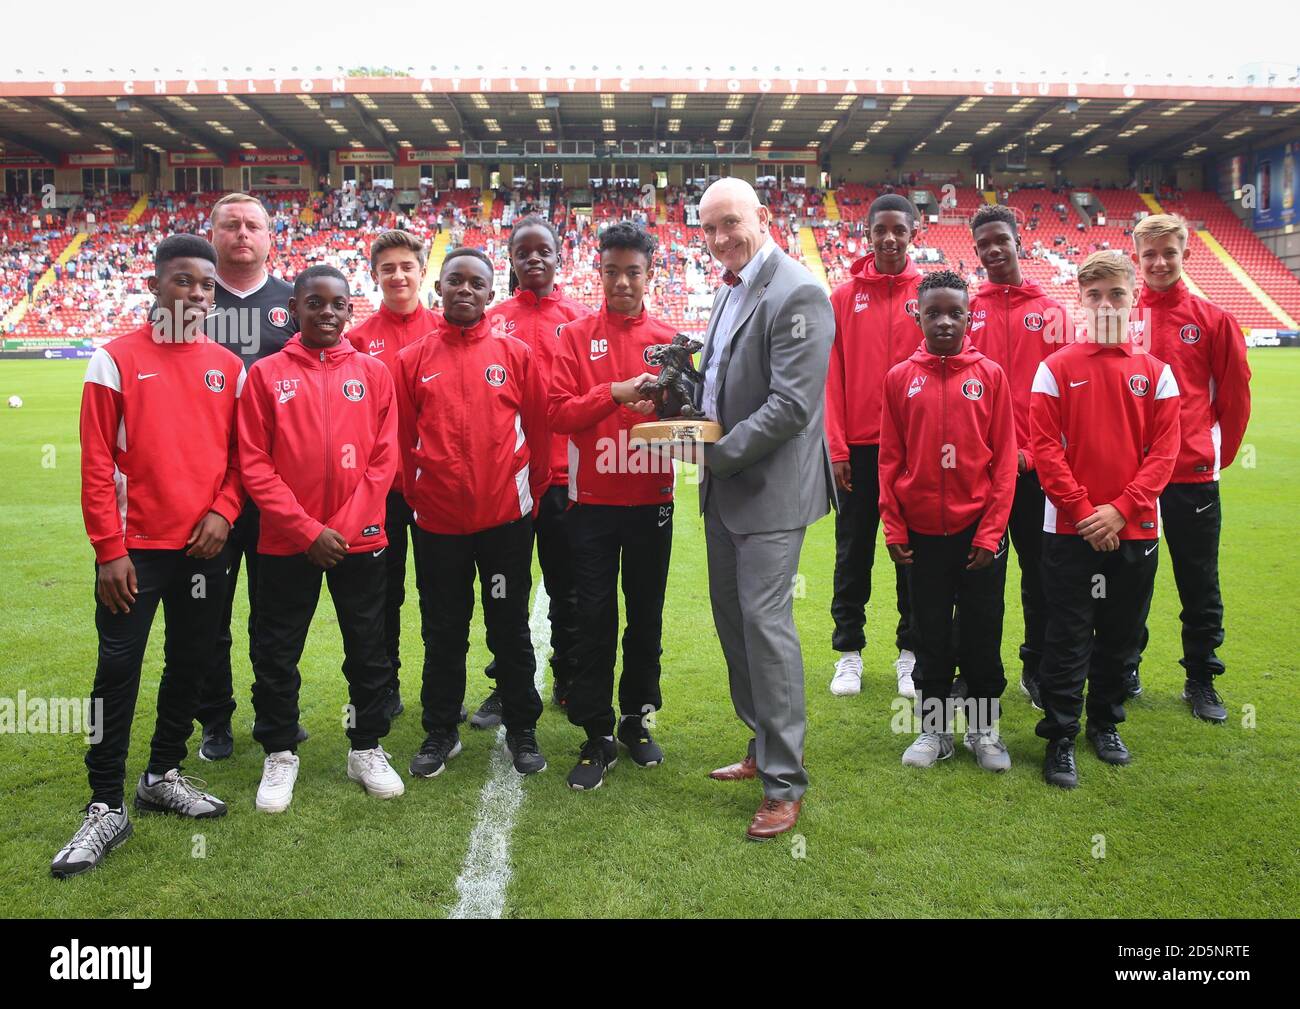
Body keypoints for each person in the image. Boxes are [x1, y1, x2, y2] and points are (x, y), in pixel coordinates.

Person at [54, 235, 240, 878]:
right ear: (156, 284)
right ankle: (104, 803)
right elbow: (96, 462)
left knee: (190, 663)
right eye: (183, 281)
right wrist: (110, 549)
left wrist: (224, 511)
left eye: (206, 285)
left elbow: (242, 461)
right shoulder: (114, 359)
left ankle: (162, 772)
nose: (195, 293)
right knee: (117, 672)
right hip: (134, 554)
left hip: (203, 548)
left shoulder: (227, 365)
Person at [696, 178, 835, 840]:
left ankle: (785, 781)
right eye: (710, 229)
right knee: (735, 622)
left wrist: (712, 453)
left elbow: (792, 405)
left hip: (769, 491)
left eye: (731, 223)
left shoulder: (798, 289)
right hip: (724, 491)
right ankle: (761, 743)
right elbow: (718, 380)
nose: (722, 237)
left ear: (762, 218)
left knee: (765, 625)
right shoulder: (729, 286)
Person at [238, 265, 403, 812]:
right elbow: (254, 463)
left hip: (360, 540)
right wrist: (307, 529)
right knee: (276, 650)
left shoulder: (374, 374)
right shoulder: (265, 375)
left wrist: (345, 527)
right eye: (315, 302)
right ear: (294, 309)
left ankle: (366, 746)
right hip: (288, 542)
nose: (327, 312)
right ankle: (280, 751)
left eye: (337, 304)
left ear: (350, 310)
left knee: (369, 650)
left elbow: (383, 461)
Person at [394, 248, 550, 778]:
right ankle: (441, 730)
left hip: (504, 522)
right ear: (438, 287)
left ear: (490, 292)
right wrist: (421, 497)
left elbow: (539, 432)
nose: (465, 290)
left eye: (476, 283)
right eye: (455, 281)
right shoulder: (412, 360)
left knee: (508, 626)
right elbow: (401, 440)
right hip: (438, 525)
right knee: (443, 629)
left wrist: (525, 497)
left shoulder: (515, 354)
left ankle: (523, 727)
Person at [1030, 251, 1180, 789]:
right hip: (1069, 531)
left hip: (1135, 529)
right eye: (1094, 295)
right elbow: (1045, 451)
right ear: (1080, 302)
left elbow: (1164, 455)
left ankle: (1106, 724)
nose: (1106, 303)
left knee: (1120, 636)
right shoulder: (1054, 369)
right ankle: (1061, 738)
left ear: (1133, 298)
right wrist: (1083, 511)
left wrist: (1120, 510)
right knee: (1067, 635)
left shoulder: (1157, 375)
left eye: (1117, 293)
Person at [548, 221, 675, 791]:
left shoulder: (672, 338)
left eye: (634, 272)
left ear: (650, 275)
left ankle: (637, 720)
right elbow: (559, 414)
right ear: (598, 273)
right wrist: (617, 393)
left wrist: (669, 415)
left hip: (653, 499)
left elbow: (684, 430)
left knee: (645, 614)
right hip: (592, 502)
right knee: (593, 618)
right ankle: (596, 730)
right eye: (612, 271)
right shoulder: (573, 336)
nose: (622, 281)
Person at [879, 271, 1017, 771]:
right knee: (929, 633)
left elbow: (1004, 462)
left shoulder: (991, 376)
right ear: (918, 314)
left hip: (978, 534)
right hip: (921, 536)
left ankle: (983, 728)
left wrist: (991, 530)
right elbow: (889, 460)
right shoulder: (899, 378)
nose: (943, 322)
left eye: (954, 313)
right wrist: (894, 526)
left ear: (968, 316)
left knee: (982, 631)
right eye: (933, 312)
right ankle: (934, 731)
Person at [1125, 214, 1252, 721]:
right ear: (1136, 257)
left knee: (1198, 581)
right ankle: (1126, 665)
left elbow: (1236, 398)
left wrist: (1212, 455)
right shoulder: (1121, 316)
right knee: (1130, 579)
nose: (1158, 262)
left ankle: (1200, 677)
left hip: (1191, 475)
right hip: (1131, 480)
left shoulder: (1214, 319)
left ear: (1184, 255)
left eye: (1168, 253)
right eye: (1149, 254)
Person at [473, 215, 593, 728]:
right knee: (507, 588)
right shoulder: (492, 319)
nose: (534, 259)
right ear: (512, 261)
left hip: (567, 480)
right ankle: (507, 684)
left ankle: (568, 676)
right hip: (510, 481)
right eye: (523, 252)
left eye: (543, 250)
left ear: (558, 256)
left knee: (568, 587)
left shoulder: (583, 318)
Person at [197, 192, 300, 762]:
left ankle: (274, 714)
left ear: (269, 237)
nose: (241, 233)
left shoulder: (296, 301)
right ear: (213, 235)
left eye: (252, 225)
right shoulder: (188, 301)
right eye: (230, 225)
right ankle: (214, 718)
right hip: (206, 487)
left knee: (274, 612)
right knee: (208, 608)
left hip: (276, 487)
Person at [966, 204, 1067, 710]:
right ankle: (979, 671)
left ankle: (1038, 666)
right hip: (978, 471)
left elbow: (1068, 395)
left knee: (1040, 572)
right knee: (980, 574)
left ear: (1018, 240)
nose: (992, 250)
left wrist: (1034, 454)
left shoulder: (1051, 313)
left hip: (1034, 469)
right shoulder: (967, 310)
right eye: (982, 244)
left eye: (999, 239)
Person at [824, 193, 924, 700]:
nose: (889, 238)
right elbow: (831, 377)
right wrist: (838, 448)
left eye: (898, 230)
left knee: (911, 553)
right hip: (860, 450)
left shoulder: (928, 292)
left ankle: (910, 654)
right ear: (867, 233)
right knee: (853, 550)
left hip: (916, 448)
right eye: (880, 229)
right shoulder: (842, 298)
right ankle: (849, 653)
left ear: (913, 233)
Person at [346, 229, 440, 722]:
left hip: (433, 490)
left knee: (437, 593)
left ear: (422, 271)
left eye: (407, 266)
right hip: (379, 492)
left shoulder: (445, 330)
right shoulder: (357, 340)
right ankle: (382, 686)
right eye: (388, 268)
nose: (398, 275)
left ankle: (439, 689)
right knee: (381, 595)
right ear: (376, 276)